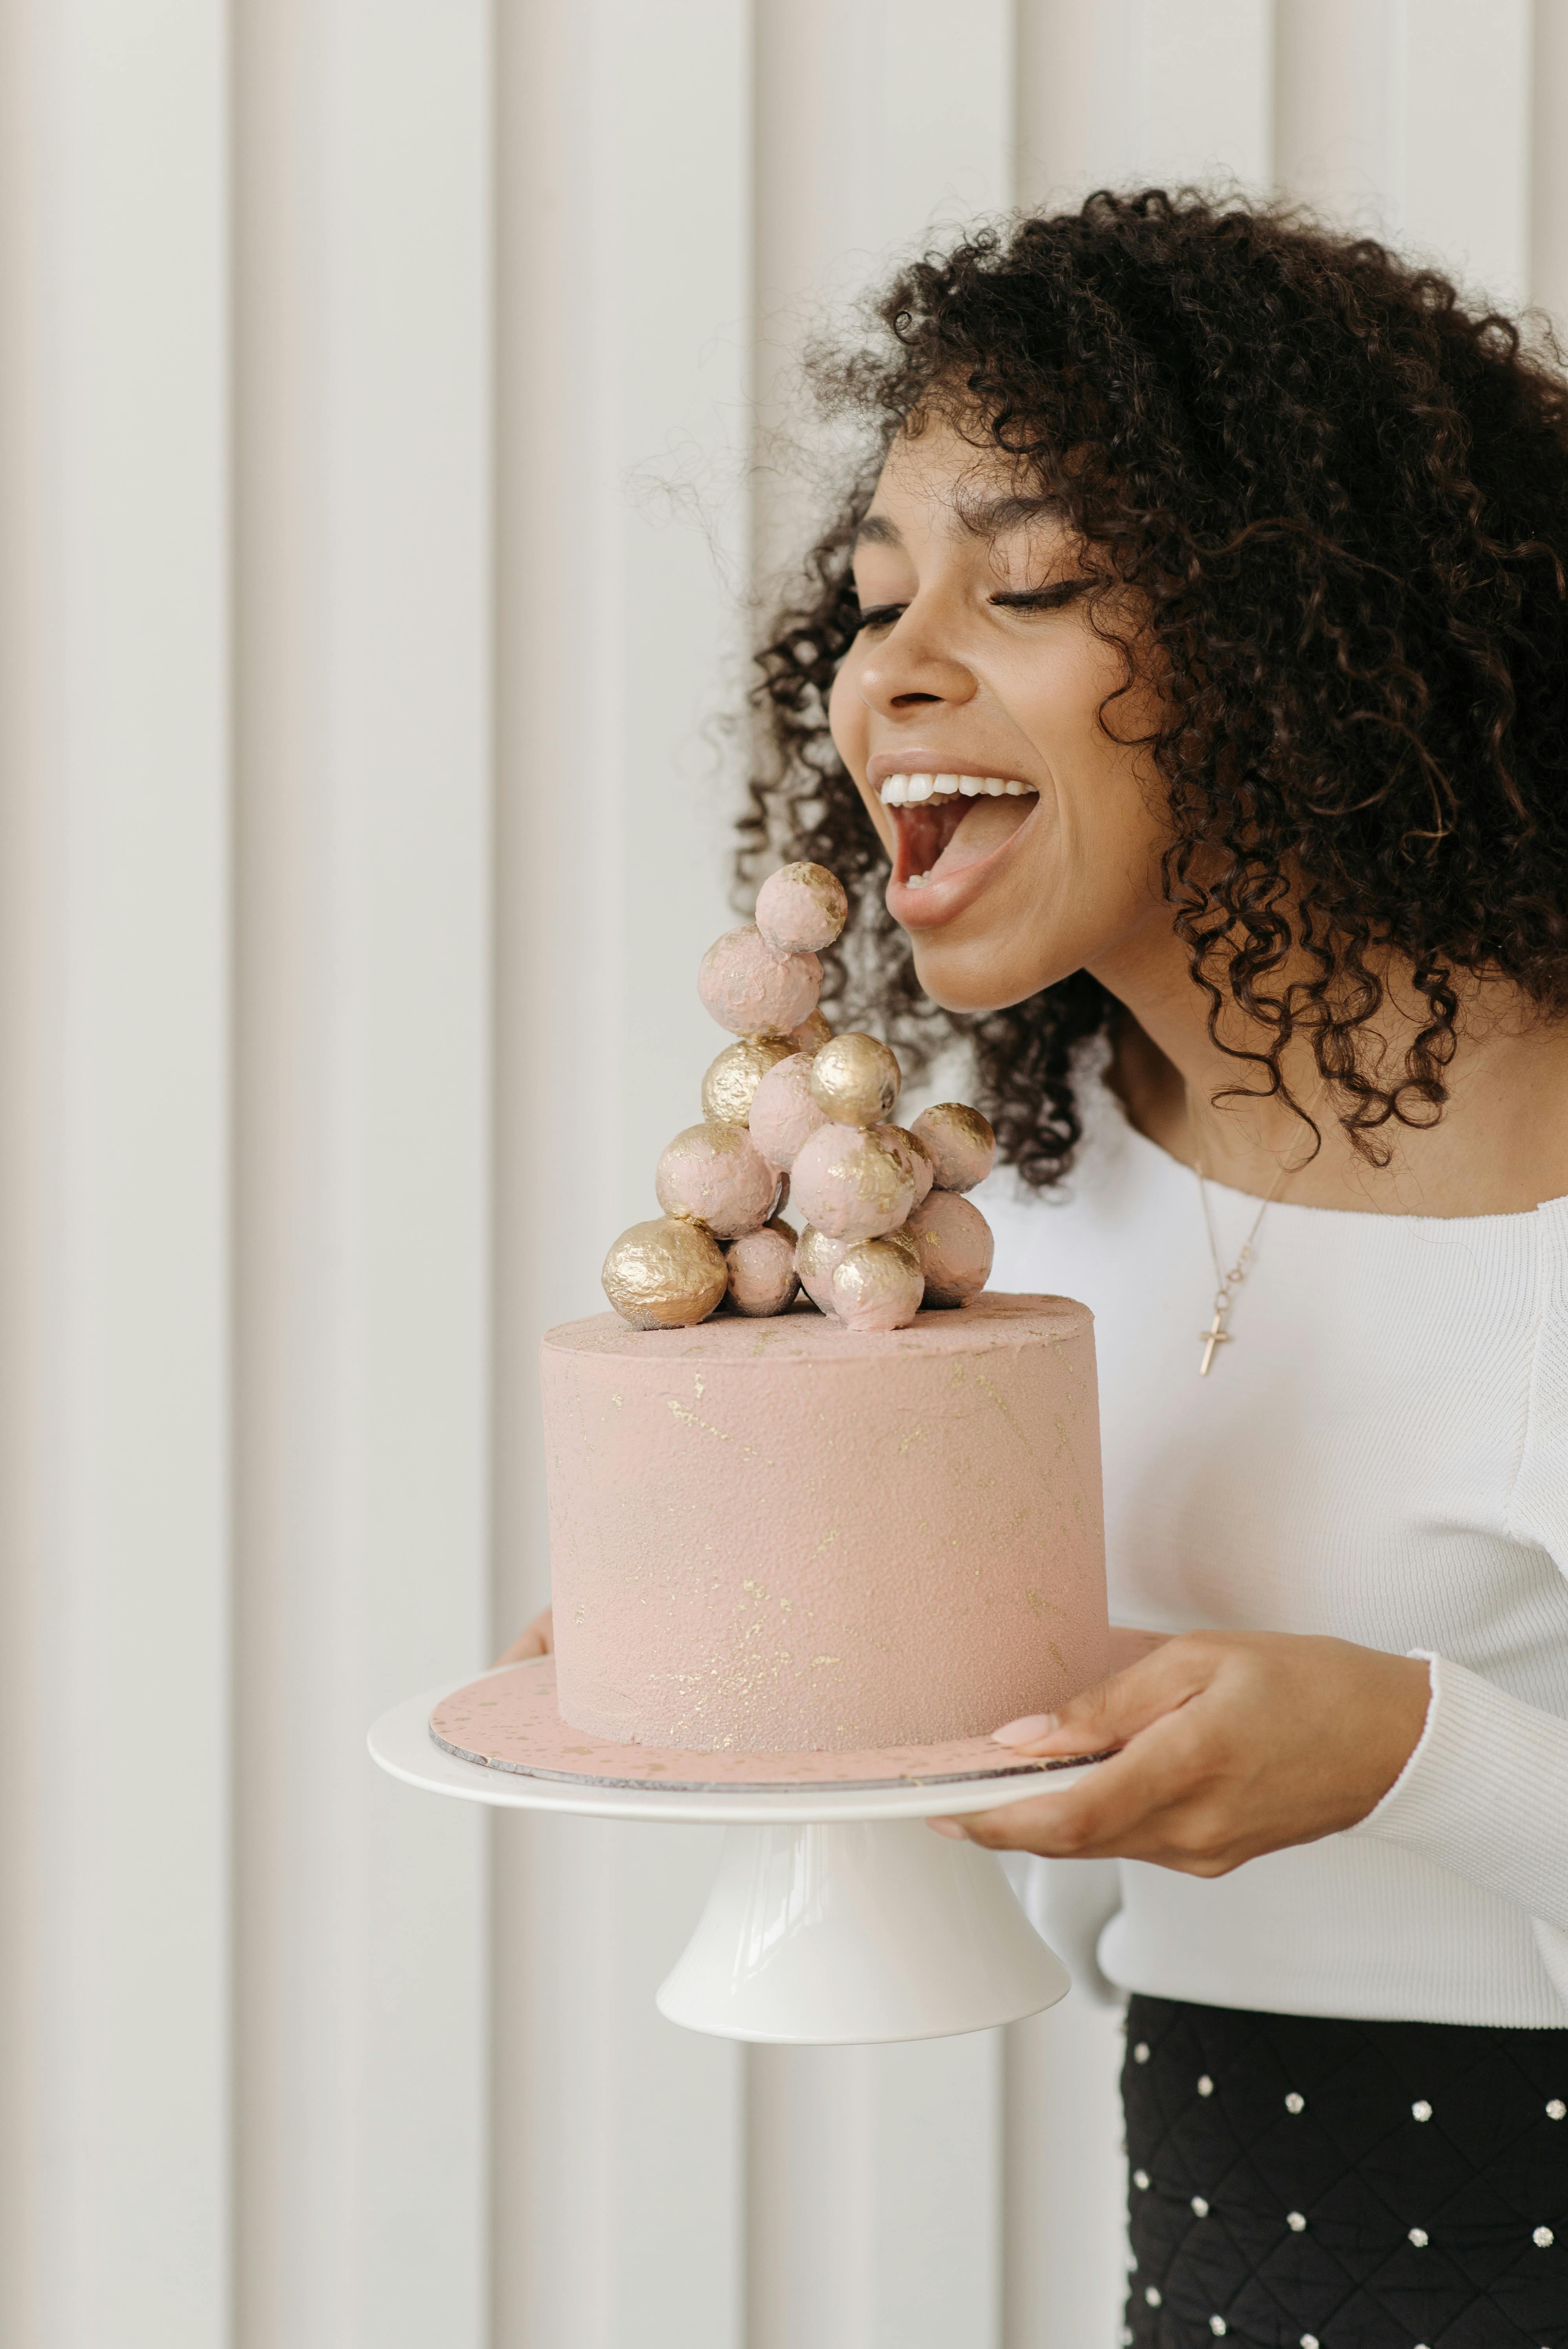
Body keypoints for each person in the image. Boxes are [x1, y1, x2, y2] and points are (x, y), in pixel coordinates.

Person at [507, 189, 1568, 2344]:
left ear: (1304, 622)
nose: (887, 670)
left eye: (1037, 582)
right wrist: (775, 1653)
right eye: (879, 600)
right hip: (1244, 2258)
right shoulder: (1024, 1219)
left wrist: (1405, 1754)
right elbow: (1066, 1883)